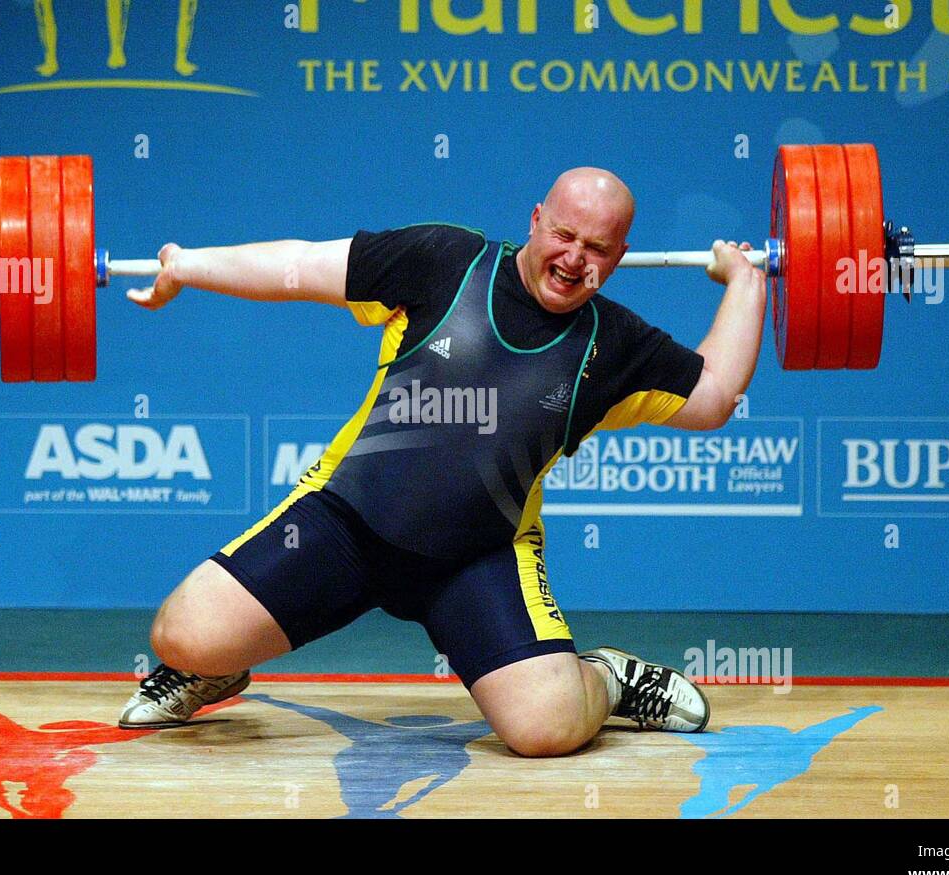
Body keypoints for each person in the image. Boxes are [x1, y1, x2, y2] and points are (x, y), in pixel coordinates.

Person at [117, 167, 766, 757]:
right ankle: (218, 665)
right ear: (536, 218)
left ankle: (607, 677)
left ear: (619, 256)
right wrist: (186, 266)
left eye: (597, 249)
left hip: (479, 558)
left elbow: (712, 397)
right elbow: (300, 264)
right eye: (565, 234)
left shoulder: (615, 344)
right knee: (184, 635)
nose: (574, 259)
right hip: (346, 522)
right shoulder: (444, 260)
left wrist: (746, 282)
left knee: (549, 728)